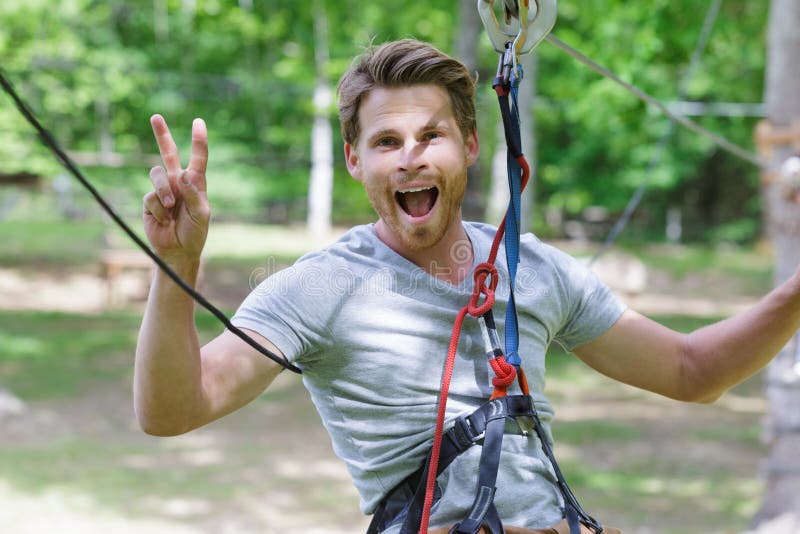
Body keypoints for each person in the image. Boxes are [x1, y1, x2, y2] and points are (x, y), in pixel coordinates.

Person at [135, 39, 800, 533]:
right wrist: (177, 266)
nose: (411, 157)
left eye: (432, 135)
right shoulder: (319, 287)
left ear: (472, 146)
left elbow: (690, 370)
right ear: (354, 159)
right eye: (387, 141)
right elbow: (172, 410)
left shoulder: (532, 267)